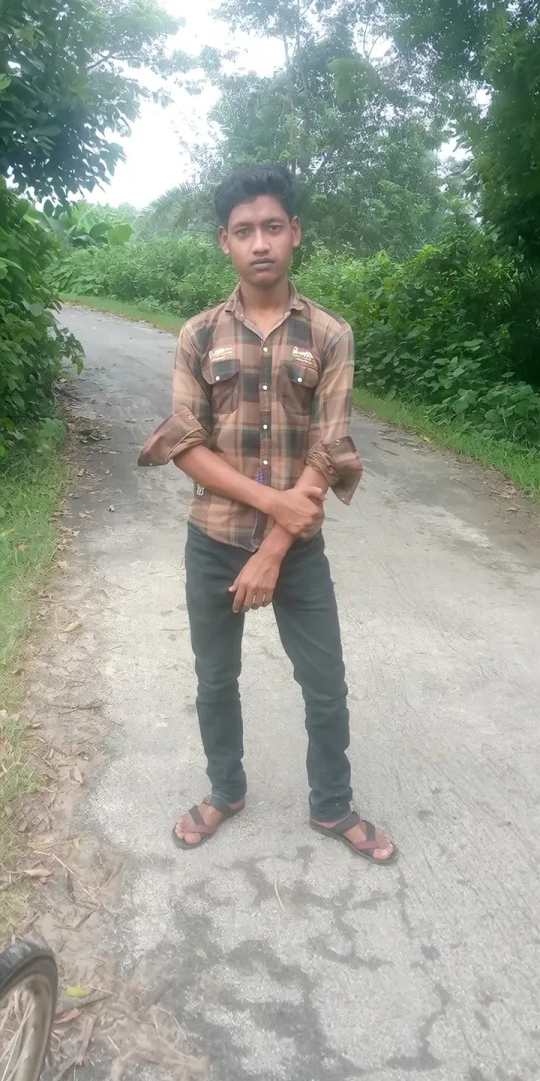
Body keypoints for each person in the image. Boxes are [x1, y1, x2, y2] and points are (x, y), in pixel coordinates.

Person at [138, 163, 397, 865]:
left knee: (324, 682)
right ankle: (225, 789)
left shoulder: (330, 335)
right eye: (245, 230)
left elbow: (331, 447)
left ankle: (332, 803)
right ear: (225, 241)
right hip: (212, 542)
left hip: (296, 549)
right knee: (214, 677)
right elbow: (183, 445)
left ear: (295, 234)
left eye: (273, 227)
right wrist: (270, 503)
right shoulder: (196, 336)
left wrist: (275, 545)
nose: (261, 243)